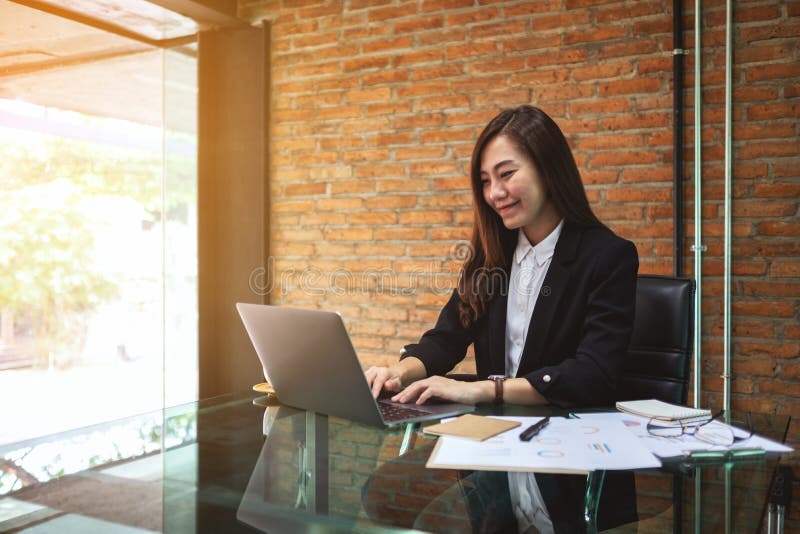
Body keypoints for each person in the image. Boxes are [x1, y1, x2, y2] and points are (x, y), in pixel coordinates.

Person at [364, 105, 639, 532]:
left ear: (548, 169)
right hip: (495, 455)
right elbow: (446, 338)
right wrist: (399, 373)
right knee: (382, 493)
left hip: (571, 471)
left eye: (507, 174)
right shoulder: (492, 257)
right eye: (486, 182)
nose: (495, 193)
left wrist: (482, 391)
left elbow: (593, 374)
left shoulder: (607, 257)